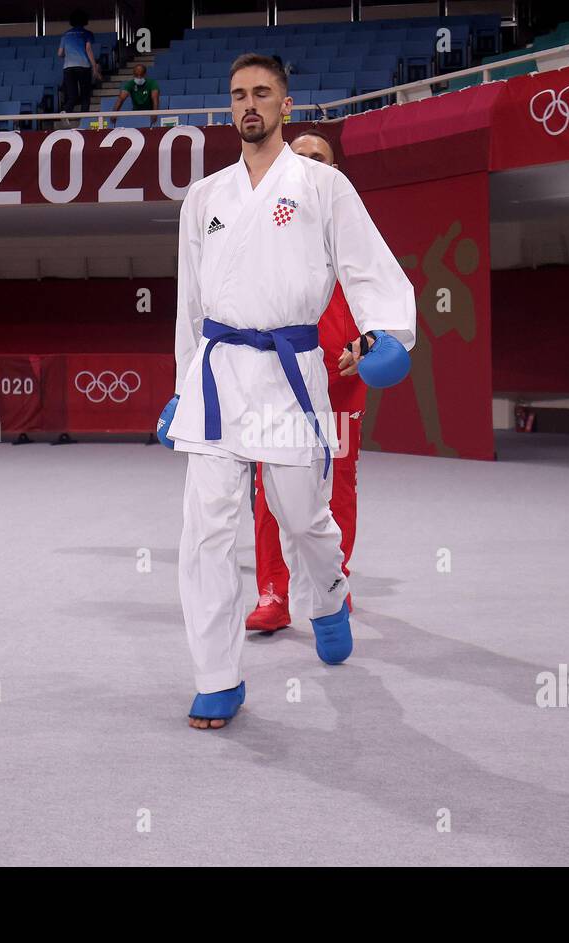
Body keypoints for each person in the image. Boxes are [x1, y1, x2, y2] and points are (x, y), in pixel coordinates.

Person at [157, 53, 416, 730]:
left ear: (284, 102)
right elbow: (190, 303)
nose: (250, 104)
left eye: (262, 93)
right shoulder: (207, 197)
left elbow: (368, 267)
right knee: (205, 532)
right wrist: (183, 387)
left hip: (288, 371)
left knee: (302, 517)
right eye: (239, 93)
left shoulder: (322, 187)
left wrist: (389, 331)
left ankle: (328, 595)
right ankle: (217, 678)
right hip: (218, 373)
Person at [246, 130, 366, 633]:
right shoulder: (262, 227)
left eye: (321, 158)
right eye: (301, 158)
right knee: (271, 487)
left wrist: (369, 342)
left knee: (336, 487)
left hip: (339, 383)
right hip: (277, 381)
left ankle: (331, 581)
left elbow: (374, 290)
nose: (311, 165)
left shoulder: (352, 226)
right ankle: (274, 592)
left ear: (335, 171)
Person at [57, 10, 102, 115]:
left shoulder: (66, 34)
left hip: (68, 68)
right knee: (85, 94)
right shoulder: (87, 33)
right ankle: (84, 118)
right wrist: (94, 66)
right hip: (83, 66)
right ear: (85, 20)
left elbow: (60, 53)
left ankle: (66, 110)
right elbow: (88, 49)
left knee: (72, 95)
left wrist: (69, 54)